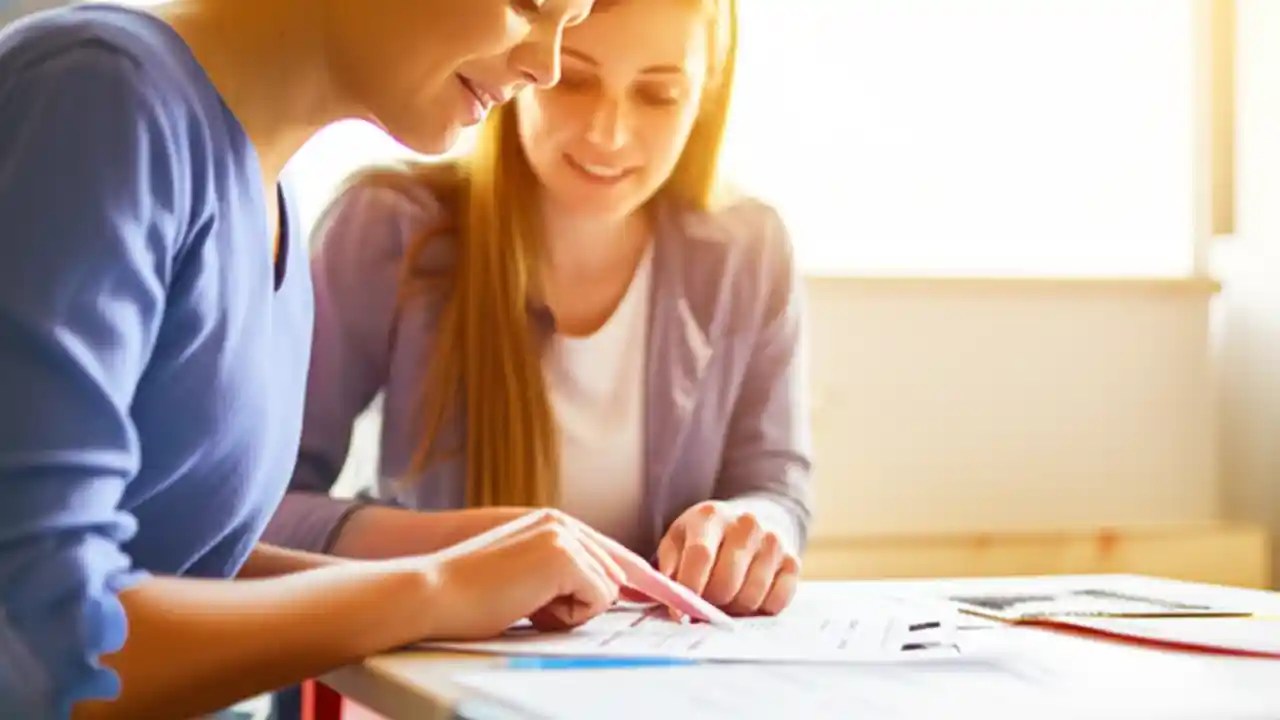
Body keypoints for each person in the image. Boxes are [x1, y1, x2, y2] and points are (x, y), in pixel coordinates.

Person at [0, 1, 713, 717]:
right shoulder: (97, 97)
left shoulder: (271, 197)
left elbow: (178, 559)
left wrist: (454, 579)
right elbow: (40, 636)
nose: (544, 64)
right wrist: (432, 591)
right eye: (528, 4)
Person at [266, 0, 812, 621]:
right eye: (575, 80)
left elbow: (776, 489)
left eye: (658, 94)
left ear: (704, 96)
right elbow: (261, 511)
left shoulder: (750, 250)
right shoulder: (389, 228)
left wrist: (752, 530)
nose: (609, 133)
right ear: (523, 63)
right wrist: (464, 555)